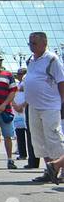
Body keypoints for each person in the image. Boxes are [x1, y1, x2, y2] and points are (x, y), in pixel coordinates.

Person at [22, 32, 64, 183]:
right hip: (34, 106)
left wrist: (62, 103)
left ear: (44, 43)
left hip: (50, 106)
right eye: (30, 43)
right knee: (39, 140)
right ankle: (49, 170)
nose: (31, 47)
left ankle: (62, 170)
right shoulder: (31, 60)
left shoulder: (52, 59)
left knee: (54, 138)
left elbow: (61, 81)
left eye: (34, 43)